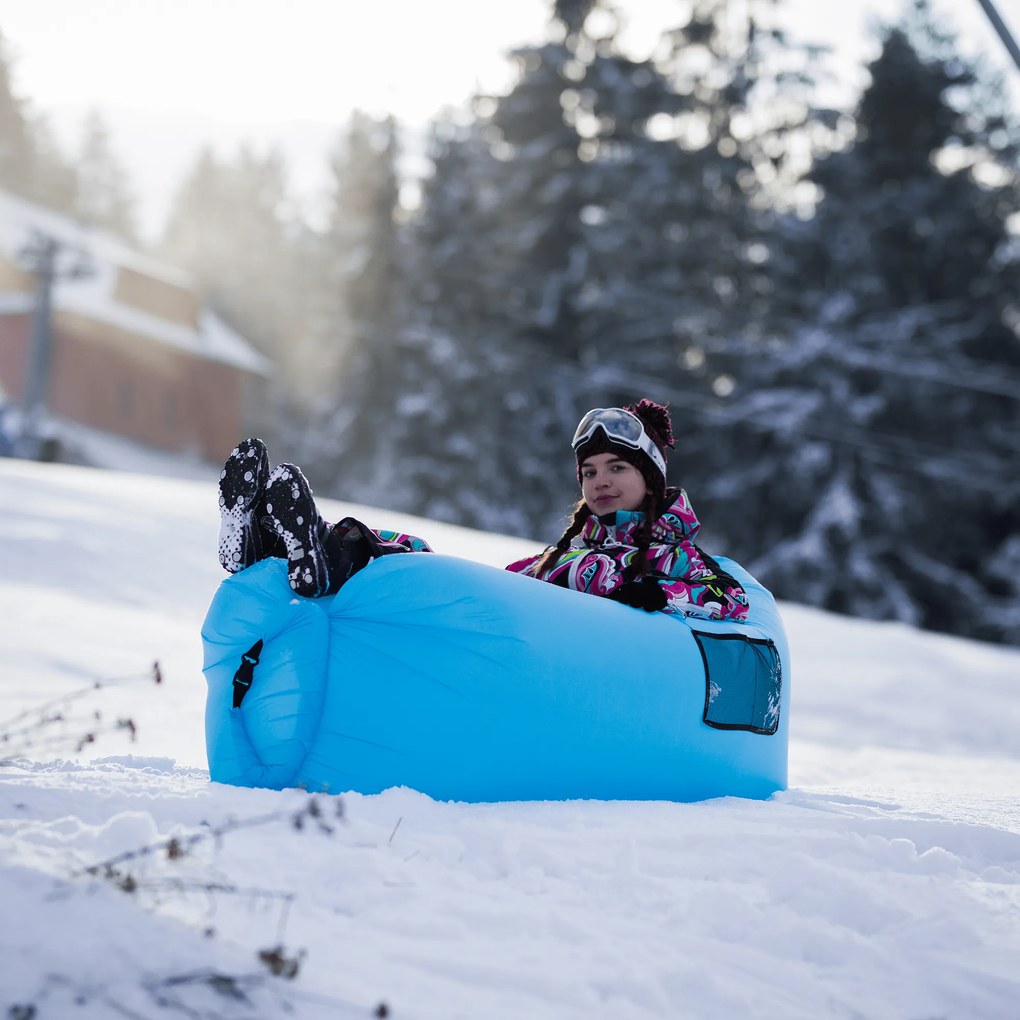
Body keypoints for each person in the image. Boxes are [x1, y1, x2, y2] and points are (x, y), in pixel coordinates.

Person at [216, 399, 748, 621]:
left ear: (650, 480)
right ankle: (285, 545)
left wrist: (660, 595)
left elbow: (731, 602)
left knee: (432, 579)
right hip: (517, 616)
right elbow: (512, 582)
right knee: (419, 559)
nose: (600, 481)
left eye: (617, 468)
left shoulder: (673, 556)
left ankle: (311, 552)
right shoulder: (570, 550)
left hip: (546, 645)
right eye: (589, 472)